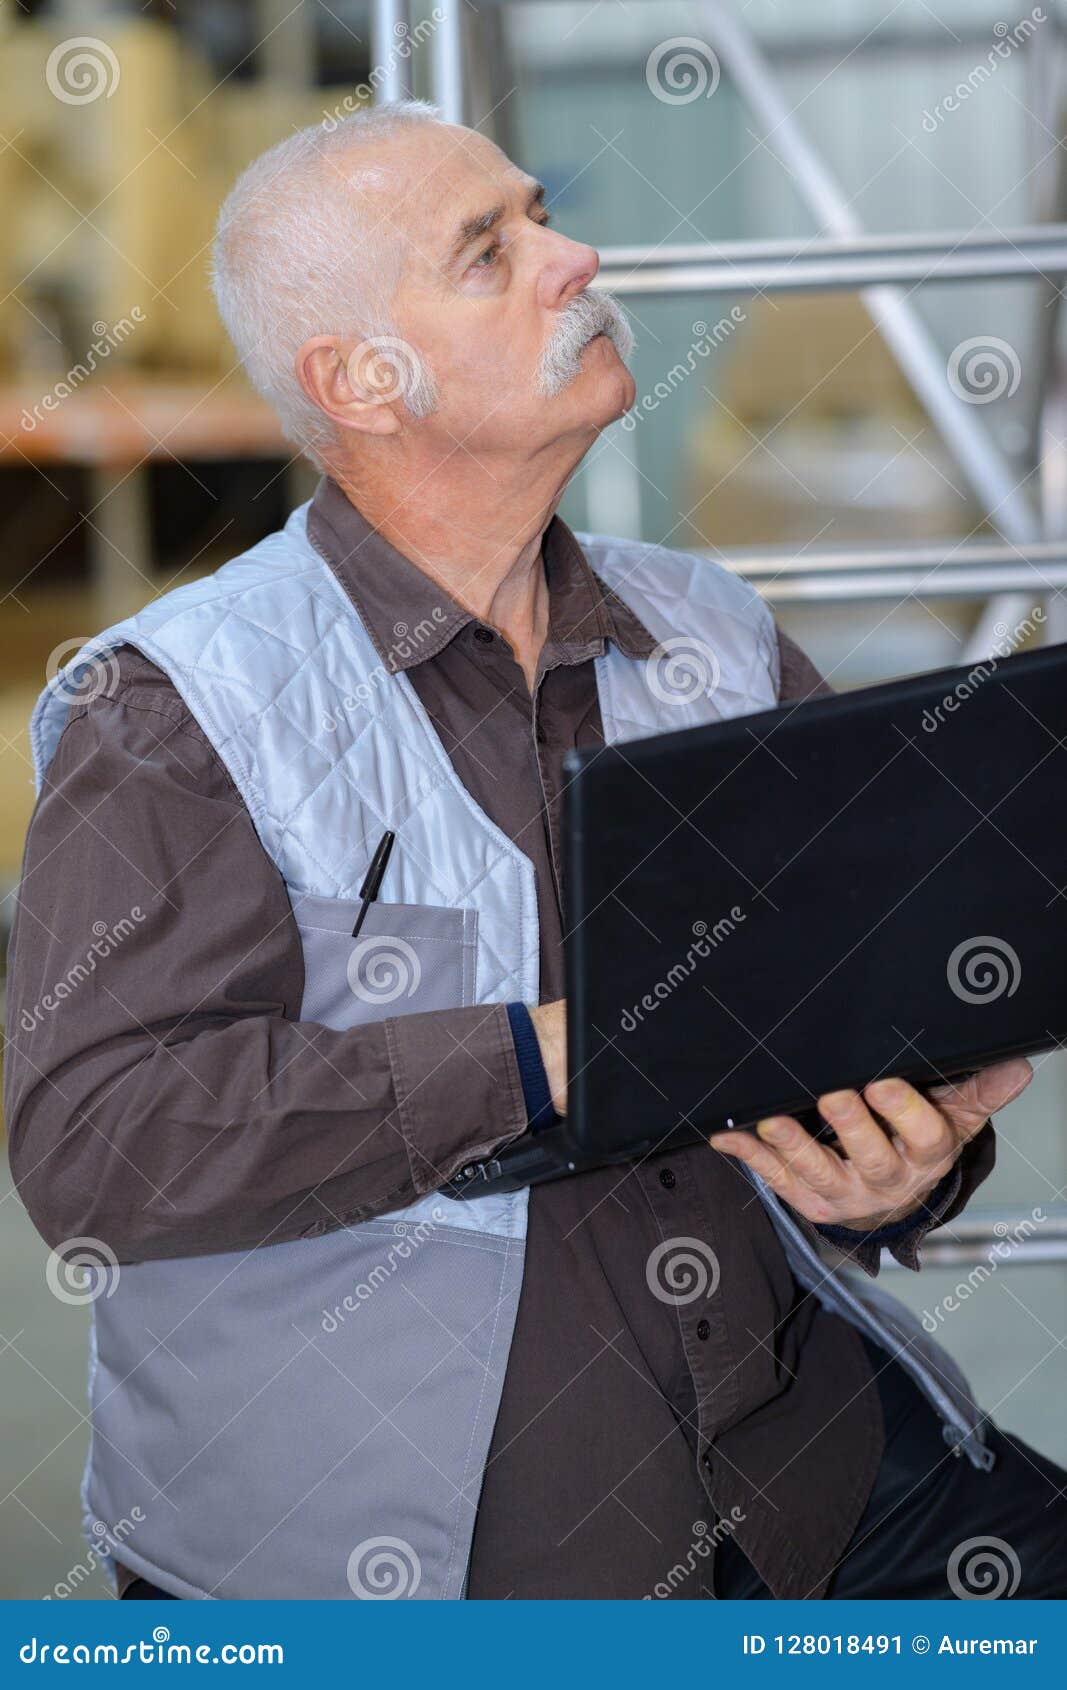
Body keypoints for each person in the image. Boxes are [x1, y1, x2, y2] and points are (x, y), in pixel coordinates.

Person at [5, 102, 1063, 1601]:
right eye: (489, 252)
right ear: (361, 380)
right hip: (420, 1563)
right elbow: (98, 1141)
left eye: (540, 216)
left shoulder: (717, 634)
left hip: (801, 1471)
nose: (573, 260)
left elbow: (867, 1005)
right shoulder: (179, 703)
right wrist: (555, 1050)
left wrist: (902, 1167)